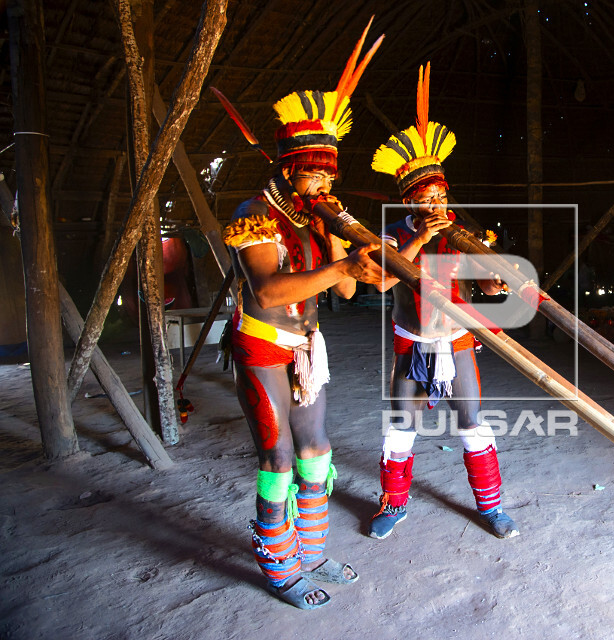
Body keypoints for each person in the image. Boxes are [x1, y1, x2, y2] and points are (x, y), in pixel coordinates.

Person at [220, 23, 384, 610]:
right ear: (289, 170)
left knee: (316, 452)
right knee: (279, 458)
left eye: (330, 176)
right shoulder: (253, 213)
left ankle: (310, 552)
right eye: (315, 174)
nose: (323, 185)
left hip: (307, 350)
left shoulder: (319, 221)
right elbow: (267, 292)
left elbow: (346, 291)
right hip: (263, 344)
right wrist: (342, 263)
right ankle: (278, 566)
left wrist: (347, 245)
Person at [367, 63, 519, 540]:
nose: (435, 203)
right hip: (412, 343)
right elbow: (382, 283)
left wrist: (495, 281)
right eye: (426, 197)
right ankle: (393, 505)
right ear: (409, 202)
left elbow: (485, 284)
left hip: (455, 340)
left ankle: (491, 507)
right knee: (401, 425)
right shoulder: (393, 235)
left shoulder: (461, 232)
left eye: (440, 194)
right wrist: (418, 240)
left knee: (471, 422)